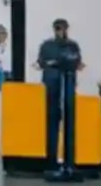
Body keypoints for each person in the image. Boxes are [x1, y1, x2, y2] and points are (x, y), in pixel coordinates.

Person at [33, 18, 84, 166]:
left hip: (67, 86)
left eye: (63, 28)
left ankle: (69, 159)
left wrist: (57, 62)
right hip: (51, 87)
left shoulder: (72, 46)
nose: (60, 31)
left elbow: (76, 61)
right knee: (51, 120)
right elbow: (42, 62)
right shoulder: (47, 45)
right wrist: (57, 63)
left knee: (69, 121)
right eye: (58, 28)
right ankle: (51, 157)